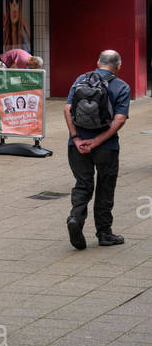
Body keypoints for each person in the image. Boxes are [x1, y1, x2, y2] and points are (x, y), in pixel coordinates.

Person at [62, 50, 131, 250]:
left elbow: (67, 109)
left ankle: (75, 219)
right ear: (119, 66)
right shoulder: (121, 86)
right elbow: (120, 119)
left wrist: (76, 138)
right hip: (106, 147)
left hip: (77, 146)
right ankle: (104, 234)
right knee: (105, 187)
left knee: (83, 184)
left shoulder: (81, 79)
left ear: (98, 62)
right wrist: (96, 141)